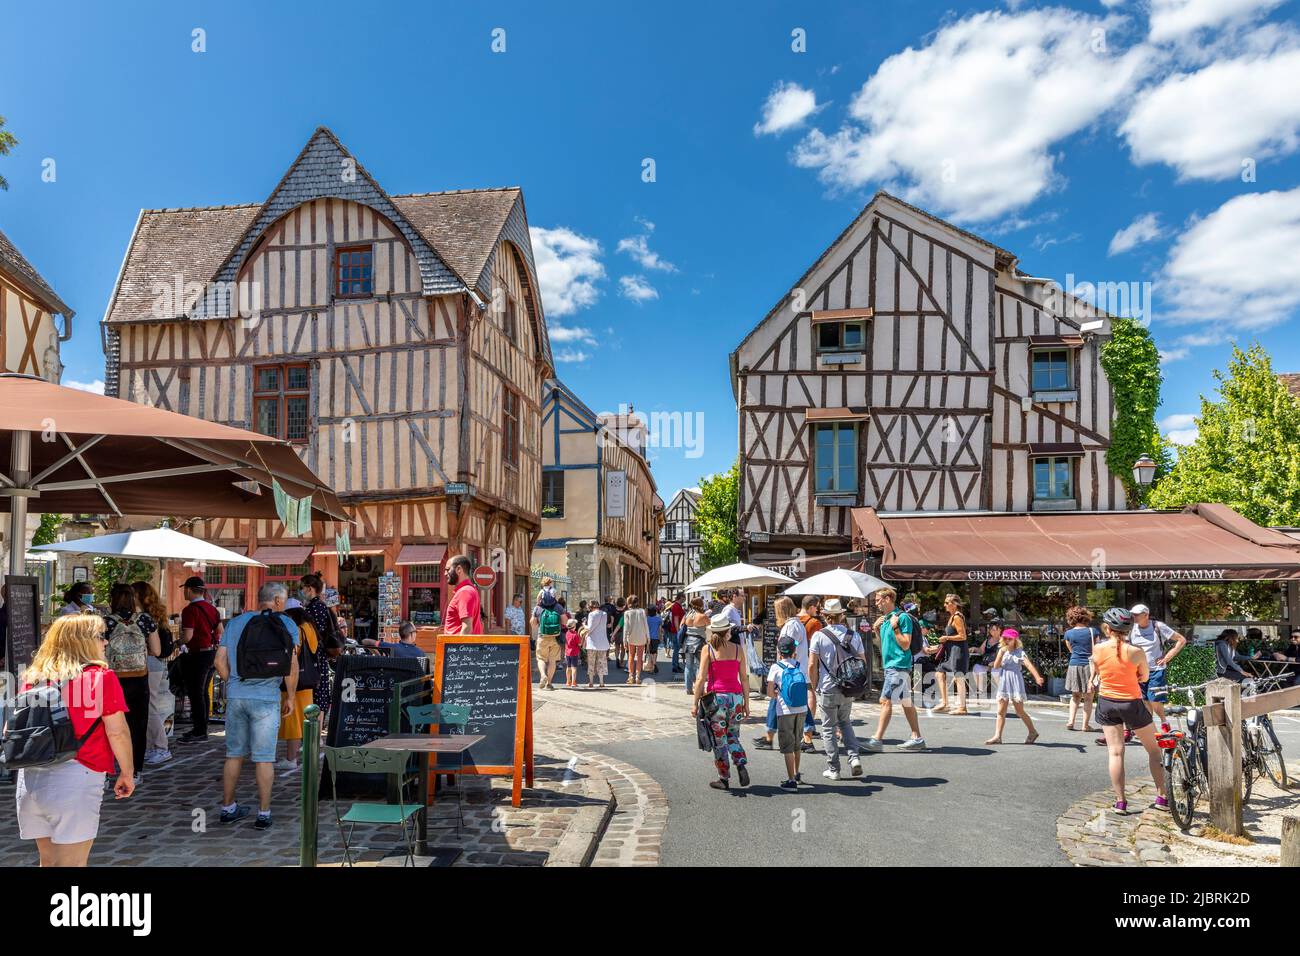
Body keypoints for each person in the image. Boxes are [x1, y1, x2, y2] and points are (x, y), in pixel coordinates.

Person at [13, 614, 135, 866]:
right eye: (101, 636)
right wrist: (127, 772)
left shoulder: (33, 679)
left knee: (47, 861)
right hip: (76, 775)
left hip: (30, 779)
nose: (106, 642)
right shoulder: (100, 678)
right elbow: (117, 732)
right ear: (84, 642)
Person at [215, 582, 299, 830]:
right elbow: (291, 666)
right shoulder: (286, 624)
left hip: (238, 695)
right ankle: (264, 813)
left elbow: (219, 661)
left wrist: (234, 682)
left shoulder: (236, 623)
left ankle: (228, 808)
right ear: (277, 601)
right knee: (264, 758)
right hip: (267, 697)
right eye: (282, 601)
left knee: (234, 754)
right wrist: (291, 697)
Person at [1091, 607, 1168, 814]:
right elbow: (1144, 677)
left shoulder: (1098, 649)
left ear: (1107, 628)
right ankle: (1162, 796)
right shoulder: (1135, 651)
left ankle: (1120, 802)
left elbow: (1098, 670)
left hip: (1107, 702)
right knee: (1154, 751)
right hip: (1131, 703)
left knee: (1115, 753)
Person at [101, 584, 160, 781]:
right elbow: (158, 651)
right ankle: (135, 772)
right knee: (138, 725)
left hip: (114, 680)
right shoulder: (144, 620)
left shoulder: (105, 622)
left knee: (110, 725)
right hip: (139, 678)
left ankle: (109, 770)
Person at [807, 598, 867, 780]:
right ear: (841, 615)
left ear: (825, 616)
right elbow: (863, 662)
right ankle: (854, 758)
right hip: (848, 687)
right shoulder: (853, 635)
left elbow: (811, 664)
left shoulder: (819, 635)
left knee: (828, 728)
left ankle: (834, 769)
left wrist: (814, 684)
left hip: (828, 687)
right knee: (845, 722)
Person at [862, 587, 927, 753]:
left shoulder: (901, 618)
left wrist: (895, 627)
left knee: (885, 701)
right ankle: (917, 738)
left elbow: (905, 643)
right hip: (892, 665)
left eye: (878, 600)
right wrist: (877, 629)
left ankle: (877, 739)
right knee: (906, 702)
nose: (876, 604)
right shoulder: (886, 619)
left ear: (888, 599)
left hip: (898, 665)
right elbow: (885, 643)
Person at [692, 610, 750, 791]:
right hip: (736, 698)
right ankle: (740, 762)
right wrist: (747, 703)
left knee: (719, 740)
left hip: (717, 699)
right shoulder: (738, 650)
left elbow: (701, 678)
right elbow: (744, 678)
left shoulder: (708, 649)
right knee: (733, 734)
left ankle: (724, 778)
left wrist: (694, 703)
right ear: (727, 631)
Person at [755, 596, 816, 752]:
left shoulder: (791, 626)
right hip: (794, 670)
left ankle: (806, 737)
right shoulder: (796, 624)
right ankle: (770, 736)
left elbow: (789, 647)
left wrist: (782, 663)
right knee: (780, 703)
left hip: (788, 671)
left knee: (782, 702)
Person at [132, 581, 177, 768]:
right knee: (148, 707)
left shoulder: (144, 618)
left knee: (149, 708)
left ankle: (160, 747)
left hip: (150, 664)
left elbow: (156, 649)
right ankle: (153, 746)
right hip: (155, 665)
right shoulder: (155, 615)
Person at [177, 576, 222, 742]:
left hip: (198, 654)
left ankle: (199, 730)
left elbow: (188, 637)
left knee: (196, 692)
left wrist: (176, 642)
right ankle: (203, 727)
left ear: (189, 590)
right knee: (203, 692)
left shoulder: (189, 610)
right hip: (211, 653)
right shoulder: (212, 609)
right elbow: (220, 631)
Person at [278, 605, 321, 770]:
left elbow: (292, 655)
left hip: (296, 682)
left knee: (292, 722)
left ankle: (291, 758)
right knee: (306, 719)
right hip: (307, 681)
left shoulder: (297, 630)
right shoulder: (310, 628)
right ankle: (306, 754)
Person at [1129, 603, 1186, 726]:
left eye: (1137, 614)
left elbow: (1181, 640)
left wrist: (1167, 657)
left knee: (1154, 699)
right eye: (1133, 614)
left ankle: (1164, 721)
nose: (1134, 617)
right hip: (1138, 670)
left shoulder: (1158, 626)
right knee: (1144, 700)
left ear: (1146, 615)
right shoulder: (1131, 628)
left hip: (1156, 670)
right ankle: (1149, 726)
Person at [984, 628, 1043, 745]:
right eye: (1004, 638)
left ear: (1015, 640)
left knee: (1019, 711)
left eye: (1009, 639)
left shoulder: (1020, 652)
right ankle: (997, 736)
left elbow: (1029, 665)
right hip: (1004, 681)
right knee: (1000, 711)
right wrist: (1000, 653)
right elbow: (996, 666)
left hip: (1015, 681)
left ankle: (1032, 731)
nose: (1006, 640)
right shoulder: (1002, 650)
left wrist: (1037, 677)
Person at [767, 633, 809, 790]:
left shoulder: (776, 667)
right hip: (802, 709)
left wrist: (778, 693)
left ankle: (791, 780)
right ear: (794, 652)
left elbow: (770, 693)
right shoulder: (799, 666)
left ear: (779, 652)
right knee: (797, 744)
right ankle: (797, 774)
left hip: (785, 711)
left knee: (787, 747)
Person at [299, 572, 343, 714]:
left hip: (315, 657)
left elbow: (314, 634)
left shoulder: (315, 608)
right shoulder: (318, 606)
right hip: (318, 657)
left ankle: (315, 734)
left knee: (317, 698)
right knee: (319, 696)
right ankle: (315, 733)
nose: (301, 591)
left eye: (302, 588)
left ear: (310, 589)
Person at [1063, 605, 1100, 733]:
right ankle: (1085, 725)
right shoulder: (1093, 631)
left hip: (1074, 665)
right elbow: (1098, 649)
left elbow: (1071, 650)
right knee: (1089, 697)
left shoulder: (1068, 633)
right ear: (1086, 616)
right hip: (1089, 666)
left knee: (1075, 696)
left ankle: (1071, 721)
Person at [935, 593, 969, 714]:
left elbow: (963, 636)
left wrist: (947, 638)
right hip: (951, 651)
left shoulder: (957, 617)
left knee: (958, 677)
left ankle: (962, 708)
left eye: (947, 603)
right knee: (940, 672)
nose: (945, 605)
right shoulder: (952, 616)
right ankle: (944, 703)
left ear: (954, 604)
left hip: (958, 651)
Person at [533, 590, 567, 691]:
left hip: (542, 636)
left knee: (541, 658)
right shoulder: (558, 607)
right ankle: (549, 683)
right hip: (555, 637)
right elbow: (565, 621)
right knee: (552, 661)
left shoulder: (538, 607)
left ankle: (543, 675)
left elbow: (533, 624)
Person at [443, 555, 482, 636]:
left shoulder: (465, 591)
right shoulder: (469, 590)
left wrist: (460, 648)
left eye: (448, 569)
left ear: (459, 569)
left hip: (456, 647)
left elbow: (467, 627)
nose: (445, 573)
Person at [681, 597, 709, 694]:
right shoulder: (702, 616)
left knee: (688, 666)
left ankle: (688, 689)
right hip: (699, 642)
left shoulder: (687, 615)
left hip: (688, 641)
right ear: (700, 604)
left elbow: (681, 626)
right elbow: (710, 626)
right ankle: (699, 689)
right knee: (699, 666)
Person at [971, 619, 1004, 701]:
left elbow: (1006, 656)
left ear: (1000, 630)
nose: (992, 631)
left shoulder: (1003, 641)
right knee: (976, 668)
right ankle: (982, 691)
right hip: (986, 663)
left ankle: (1001, 692)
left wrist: (995, 662)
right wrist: (974, 648)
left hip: (998, 664)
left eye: (994, 629)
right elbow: (981, 651)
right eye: (991, 630)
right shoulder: (988, 640)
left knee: (995, 670)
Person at [362, 620, 426, 660]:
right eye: (416, 632)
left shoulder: (392, 647)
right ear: (412, 634)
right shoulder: (420, 653)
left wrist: (378, 655)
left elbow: (365, 641)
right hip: (414, 681)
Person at [581, 601, 610, 688]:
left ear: (591, 607)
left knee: (591, 662)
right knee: (601, 662)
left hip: (592, 642)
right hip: (602, 642)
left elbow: (590, 628)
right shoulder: (604, 614)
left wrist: (583, 625)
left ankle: (591, 682)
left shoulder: (591, 614)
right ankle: (601, 682)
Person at [622, 595, 649, 684]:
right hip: (641, 636)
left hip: (631, 636)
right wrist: (648, 637)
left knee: (631, 656)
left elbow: (626, 627)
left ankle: (631, 676)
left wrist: (624, 639)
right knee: (640, 657)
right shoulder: (642, 611)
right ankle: (638, 677)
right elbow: (646, 625)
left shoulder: (627, 613)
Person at [563, 620, 584, 688]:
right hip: (574, 653)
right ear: (574, 627)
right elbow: (579, 644)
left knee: (568, 667)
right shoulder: (575, 635)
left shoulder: (567, 633)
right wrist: (582, 639)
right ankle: (573, 682)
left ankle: (568, 681)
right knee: (574, 668)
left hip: (567, 652)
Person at [645, 601, 662, 674]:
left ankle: (653, 666)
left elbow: (645, 629)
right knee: (655, 652)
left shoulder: (646, 619)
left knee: (650, 652)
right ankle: (653, 666)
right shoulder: (659, 619)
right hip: (656, 637)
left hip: (648, 638)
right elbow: (660, 629)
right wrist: (661, 637)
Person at [611, 597, 627, 669]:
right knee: (623, 647)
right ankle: (621, 661)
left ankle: (617, 658)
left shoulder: (613, 611)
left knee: (617, 646)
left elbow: (612, 622)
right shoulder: (625, 611)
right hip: (623, 631)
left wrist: (612, 632)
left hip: (616, 631)